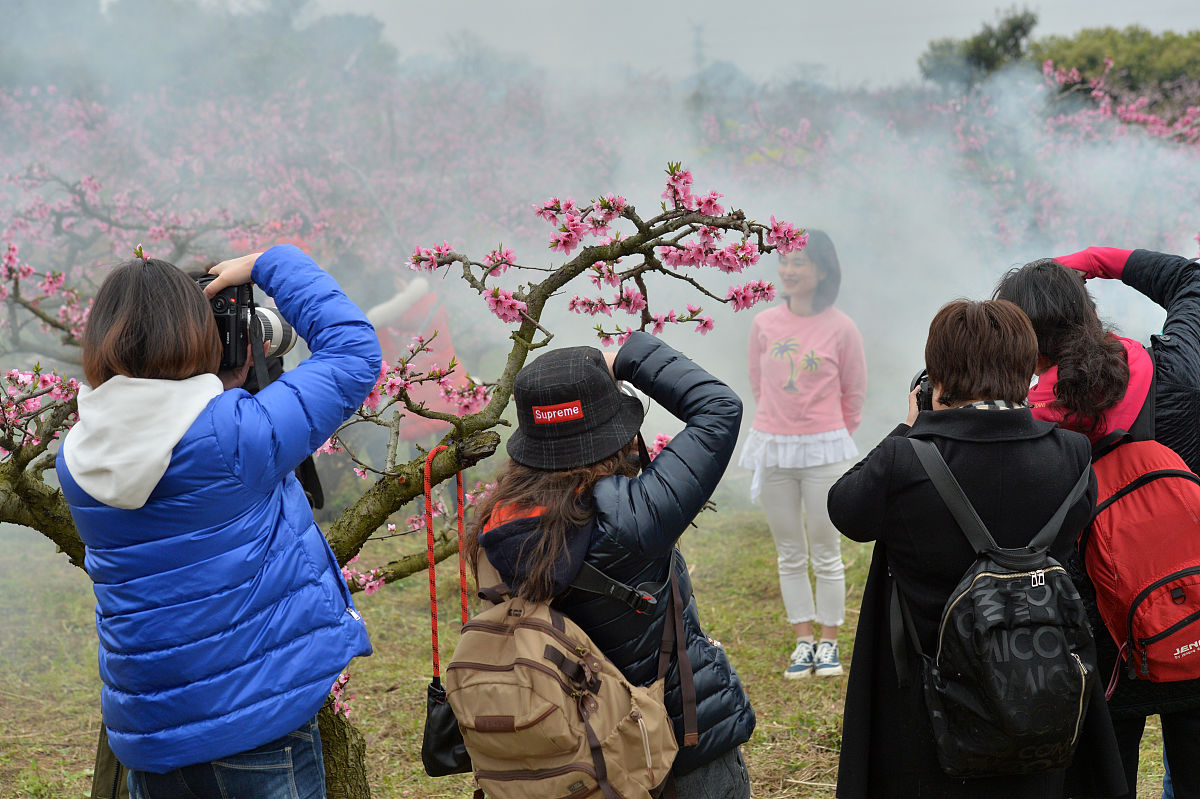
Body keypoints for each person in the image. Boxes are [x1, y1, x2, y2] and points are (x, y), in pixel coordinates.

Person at [57, 245, 380, 798]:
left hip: (151, 735)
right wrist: (272, 263)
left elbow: (167, 442)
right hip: (249, 731)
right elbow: (354, 353)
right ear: (197, 336)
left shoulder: (78, 453)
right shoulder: (235, 437)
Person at [827, 299, 1124, 799]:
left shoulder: (907, 458)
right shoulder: (1072, 454)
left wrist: (910, 425)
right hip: (1041, 695)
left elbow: (845, 511)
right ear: (1026, 370)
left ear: (937, 377)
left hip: (930, 710)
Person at [464, 331, 756, 798]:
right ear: (612, 433)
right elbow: (719, 407)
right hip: (673, 744)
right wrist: (627, 357)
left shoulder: (495, 523)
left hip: (572, 757)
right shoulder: (634, 516)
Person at [996, 247, 1200, 799]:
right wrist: (1093, 259)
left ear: (1022, 341)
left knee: (1103, 779)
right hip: (1193, 606)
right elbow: (1192, 279)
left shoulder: (1024, 428)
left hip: (1098, 633)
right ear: (1087, 310)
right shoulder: (1178, 369)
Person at [739, 230, 866, 678]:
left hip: (825, 452)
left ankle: (829, 644)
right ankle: (803, 642)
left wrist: (822, 433)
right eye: (785, 261)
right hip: (773, 448)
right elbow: (759, 384)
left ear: (822, 270)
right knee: (789, 551)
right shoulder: (764, 325)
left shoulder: (842, 328)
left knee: (826, 551)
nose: (790, 271)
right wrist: (783, 425)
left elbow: (854, 395)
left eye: (800, 263)